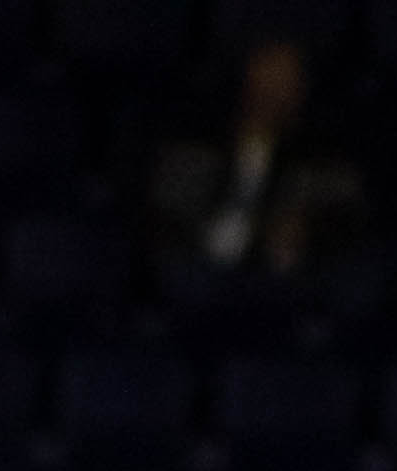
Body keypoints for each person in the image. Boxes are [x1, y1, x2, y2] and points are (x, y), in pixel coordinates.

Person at [150, 35, 355, 288]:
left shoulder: (319, 155)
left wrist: (306, 229)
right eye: (266, 77)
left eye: (287, 81)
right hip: (203, 272)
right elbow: (169, 213)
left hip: (287, 280)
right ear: (247, 79)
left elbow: (342, 212)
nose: (274, 92)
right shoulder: (198, 146)